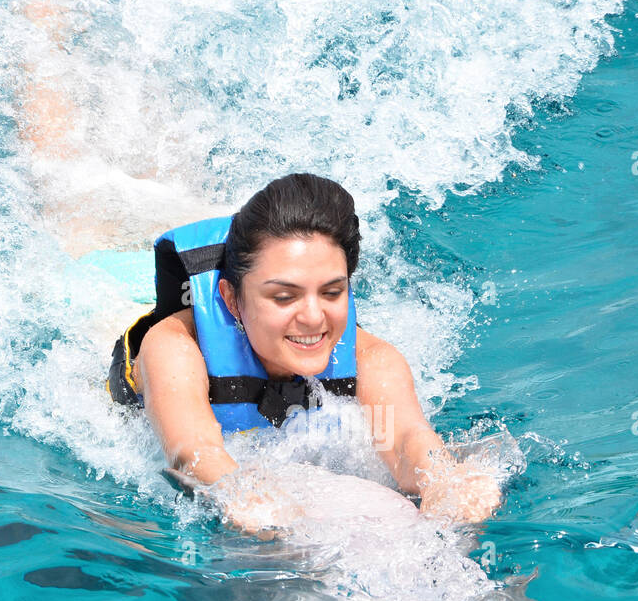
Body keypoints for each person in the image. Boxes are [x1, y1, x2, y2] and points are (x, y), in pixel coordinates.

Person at [110, 173, 502, 534]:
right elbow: (191, 450)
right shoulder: (175, 347)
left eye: (332, 292)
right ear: (230, 299)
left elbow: (405, 440)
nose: (314, 317)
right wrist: (238, 489)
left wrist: (444, 479)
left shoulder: (374, 360)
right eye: (284, 296)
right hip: (109, 296)